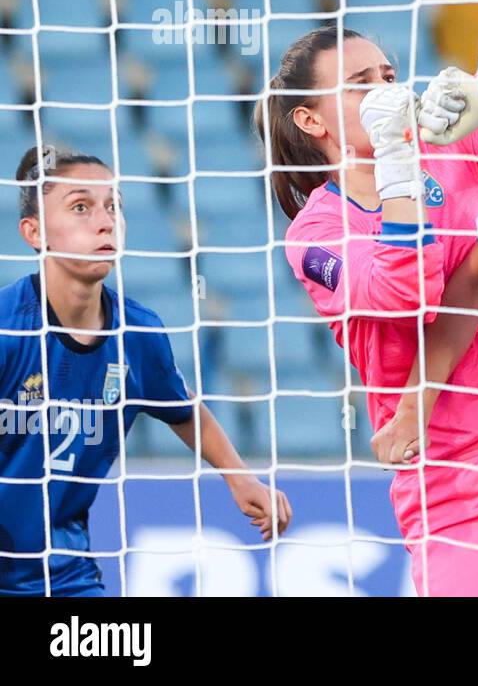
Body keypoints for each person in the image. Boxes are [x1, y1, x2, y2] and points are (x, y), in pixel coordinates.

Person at [259, 26, 478, 596]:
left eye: (389, 78)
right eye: (359, 85)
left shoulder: (453, 147)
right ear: (311, 122)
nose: (387, 93)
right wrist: (395, 160)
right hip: (453, 481)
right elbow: (408, 290)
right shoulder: (315, 233)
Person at [0, 146, 290, 597]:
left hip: (64, 576)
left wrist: (240, 477)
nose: (104, 221)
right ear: (34, 232)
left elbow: (183, 410)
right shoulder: (6, 327)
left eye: (113, 206)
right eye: (81, 207)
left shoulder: (138, 333)